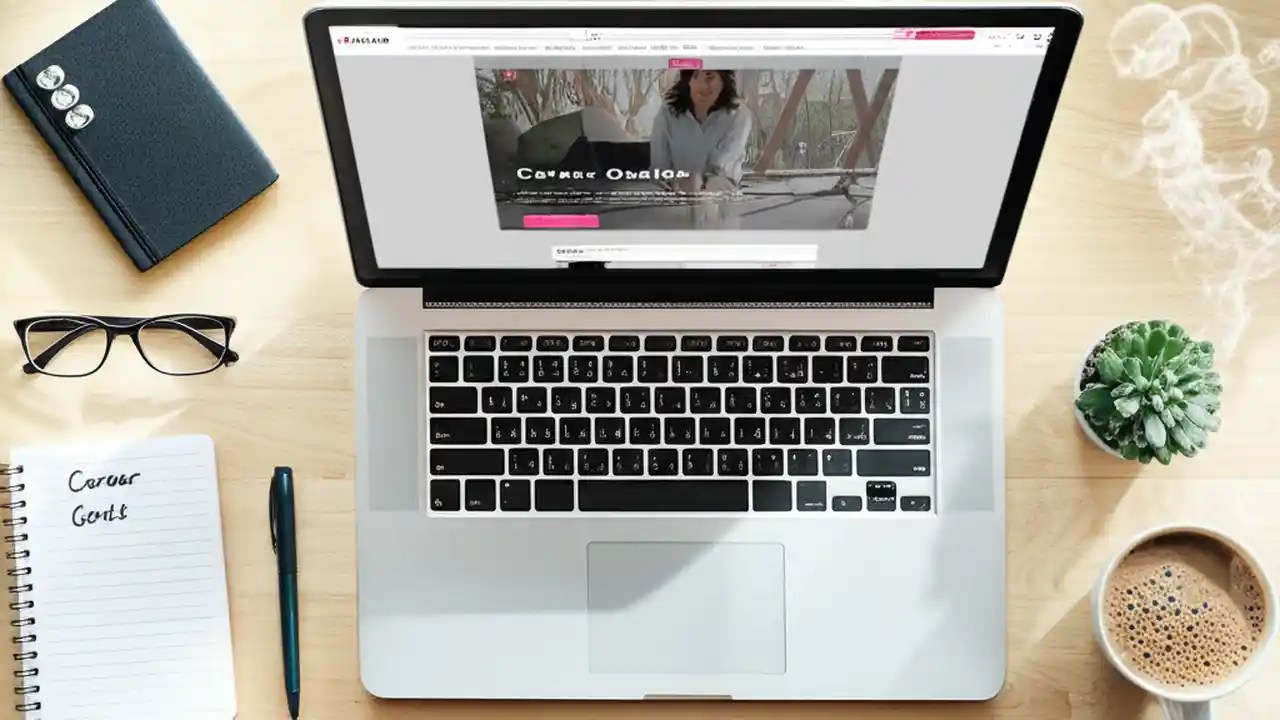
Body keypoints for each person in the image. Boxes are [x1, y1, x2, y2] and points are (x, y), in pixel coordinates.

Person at [649, 69, 752, 193]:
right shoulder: (668, 112)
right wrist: (675, 183)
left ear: (723, 80)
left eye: (710, 77)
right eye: (696, 76)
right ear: (688, 80)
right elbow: (659, 168)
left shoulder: (738, 114)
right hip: (675, 195)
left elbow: (723, 168)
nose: (702, 86)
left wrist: (700, 183)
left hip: (721, 197)